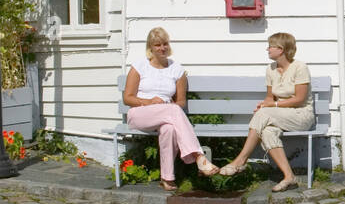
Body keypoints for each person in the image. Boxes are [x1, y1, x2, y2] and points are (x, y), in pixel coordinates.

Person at [122, 27, 219, 191]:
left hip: (166, 114)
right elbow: (127, 98)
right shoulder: (139, 67)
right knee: (172, 111)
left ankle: (167, 178)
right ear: (150, 48)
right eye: (157, 45)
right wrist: (149, 102)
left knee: (169, 129)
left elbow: (180, 102)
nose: (162, 48)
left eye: (165, 44)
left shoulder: (177, 70)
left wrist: (166, 107)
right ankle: (198, 157)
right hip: (140, 113)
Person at [220, 32, 313, 192]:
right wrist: (264, 105)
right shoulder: (271, 69)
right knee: (268, 132)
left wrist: (271, 107)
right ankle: (289, 177)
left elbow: (300, 99)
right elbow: (270, 97)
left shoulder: (300, 67)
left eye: (271, 46)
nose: (267, 49)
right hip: (281, 116)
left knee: (264, 114)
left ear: (281, 49)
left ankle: (241, 160)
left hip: (301, 115)